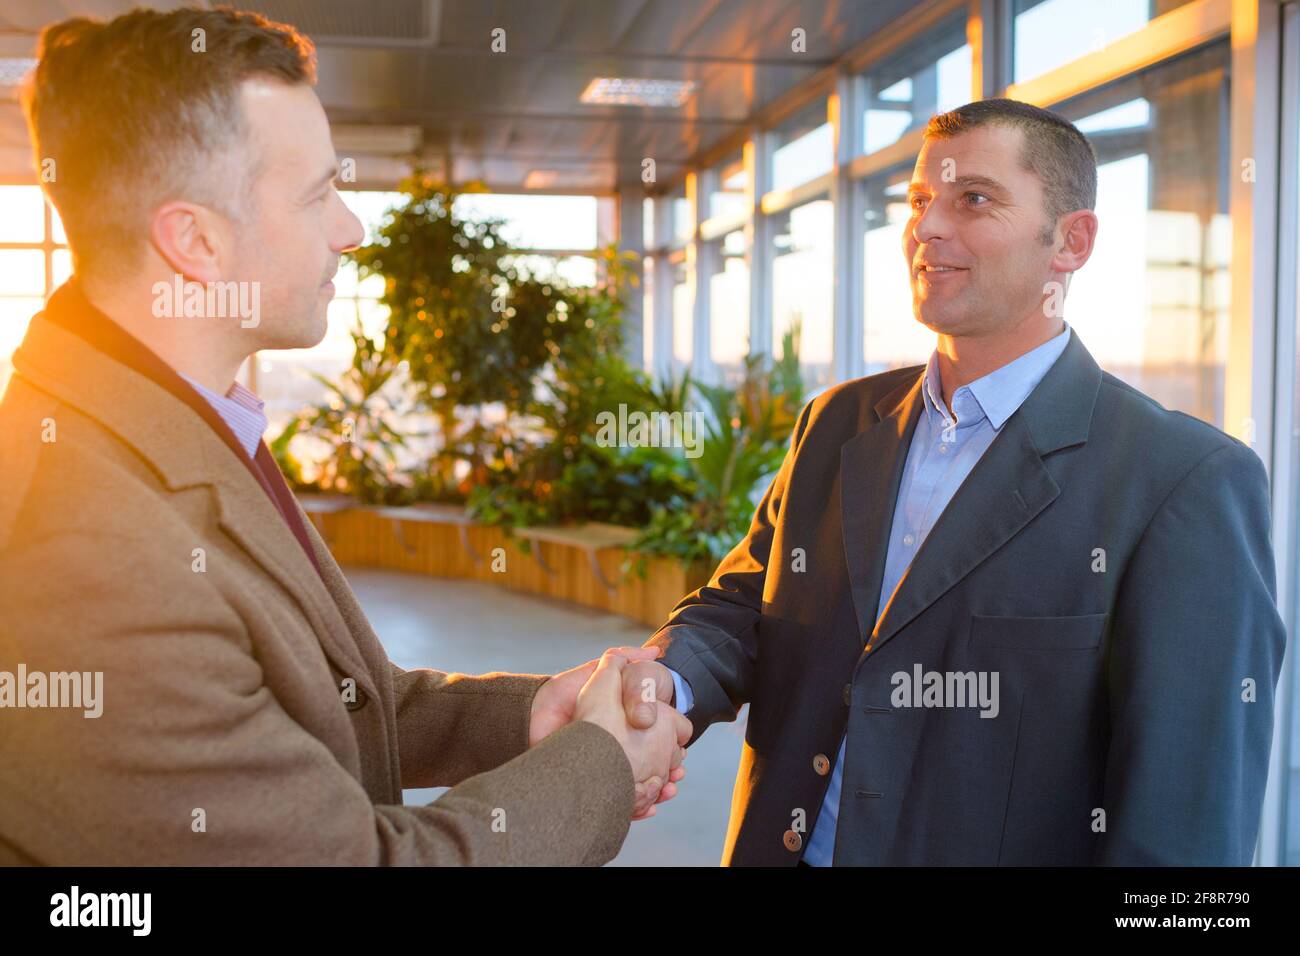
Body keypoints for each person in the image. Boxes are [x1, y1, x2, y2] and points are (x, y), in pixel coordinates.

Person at [0, 6, 688, 866]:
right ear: (195, 242)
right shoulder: (86, 557)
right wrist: (603, 766)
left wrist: (532, 712)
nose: (351, 229)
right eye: (319, 194)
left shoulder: (175, 418)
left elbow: (335, 700)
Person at [618, 98, 1286, 866]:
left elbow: (1187, 824)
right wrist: (663, 685)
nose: (926, 228)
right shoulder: (836, 422)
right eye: (918, 201)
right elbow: (745, 606)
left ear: (1071, 241)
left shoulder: (1183, 480)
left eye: (973, 198)